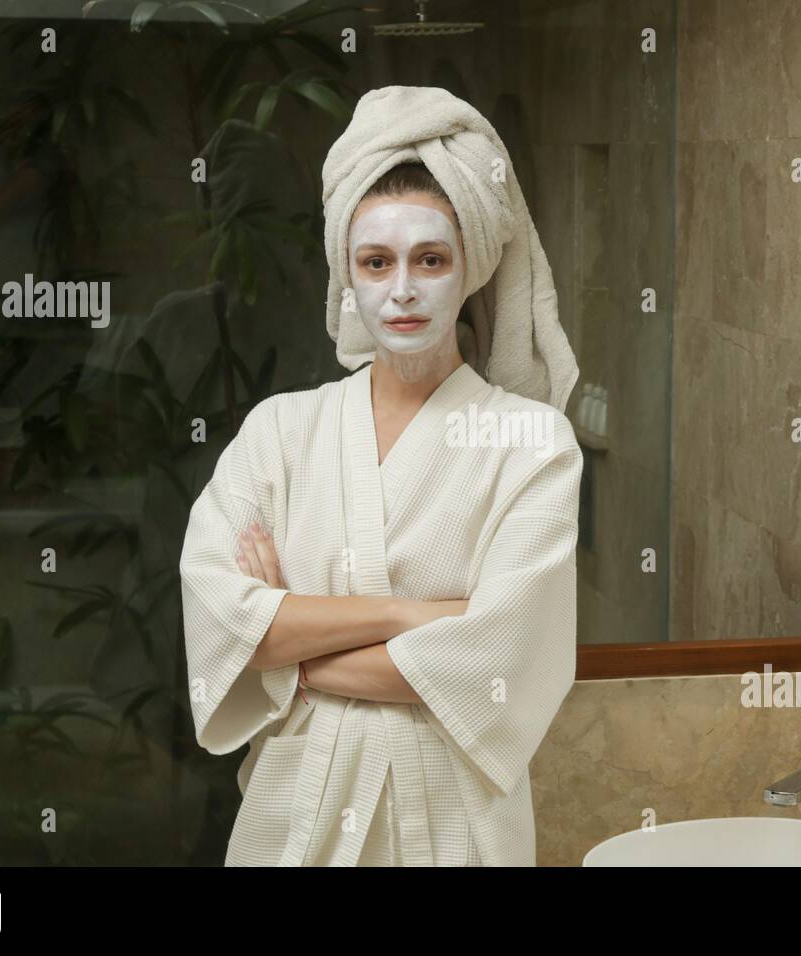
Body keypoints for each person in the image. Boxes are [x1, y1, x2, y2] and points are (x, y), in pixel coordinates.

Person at [180, 86, 583, 866]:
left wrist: (291, 651)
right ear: (348, 275)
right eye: (376, 261)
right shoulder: (279, 433)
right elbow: (223, 621)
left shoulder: (533, 444)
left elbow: (505, 659)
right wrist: (413, 615)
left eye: (429, 259)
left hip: (457, 829)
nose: (401, 289)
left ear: (470, 267)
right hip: (291, 814)